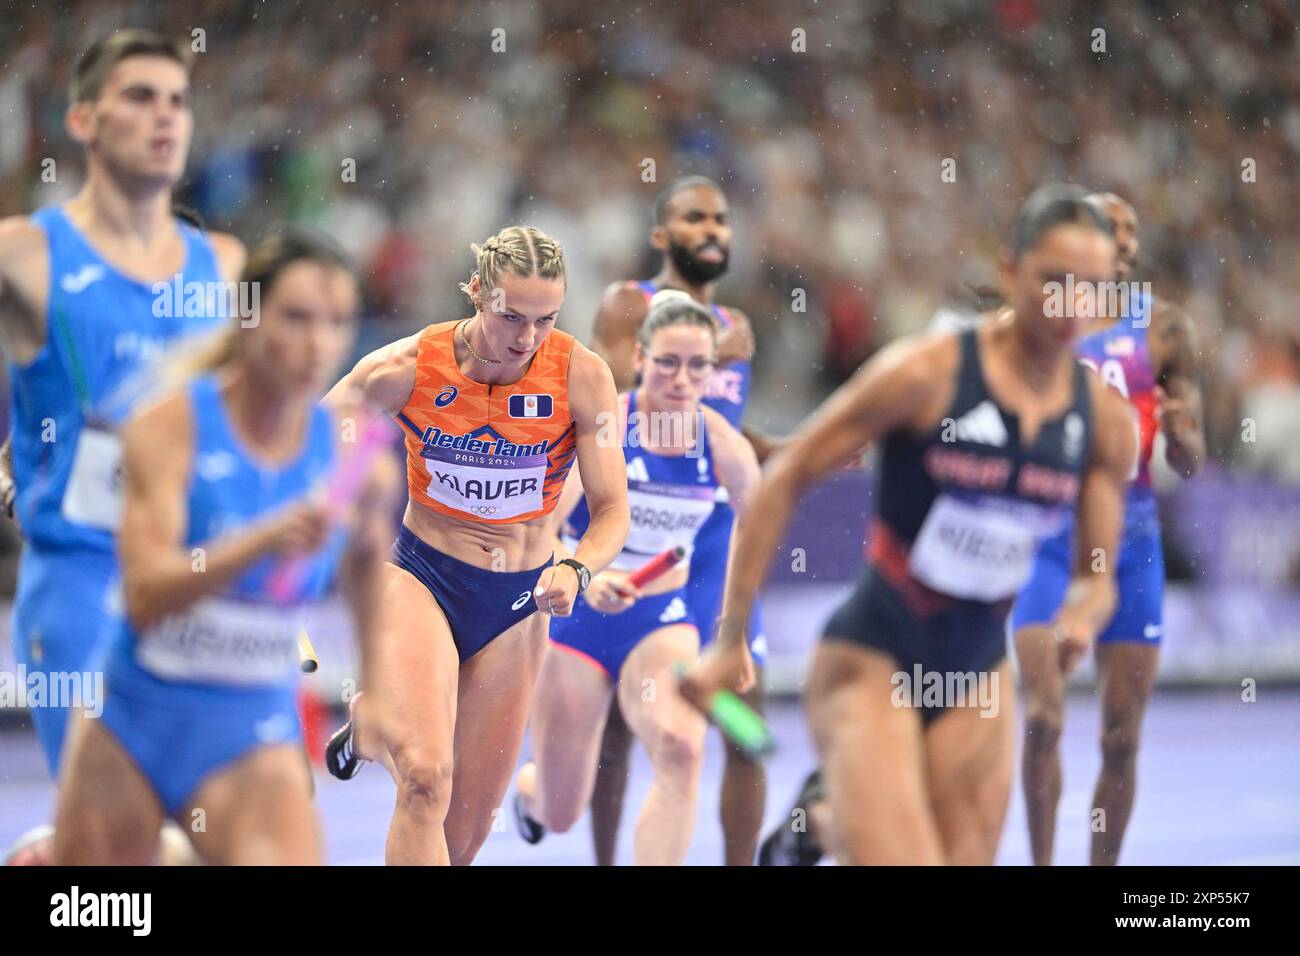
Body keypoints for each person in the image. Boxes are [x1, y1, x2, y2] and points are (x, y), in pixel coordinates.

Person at [692, 185, 1138, 864]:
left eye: (1091, 288)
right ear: (1009, 270)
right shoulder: (925, 373)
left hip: (979, 673)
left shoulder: (1104, 421)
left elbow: (1096, 575)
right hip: (873, 657)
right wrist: (730, 639)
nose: (1068, 305)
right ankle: (825, 822)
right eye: (1053, 280)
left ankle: (815, 829)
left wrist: (1081, 615)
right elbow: (787, 474)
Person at [51, 228, 392, 864]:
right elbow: (145, 594)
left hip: (250, 728)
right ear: (247, 314)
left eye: (339, 322)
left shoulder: (358, 457)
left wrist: (377, 686)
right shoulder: (168, 423)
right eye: (296, 318)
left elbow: (370, 562)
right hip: (132, 716)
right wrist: (263, 540)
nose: (319, 344)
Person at [0, 29, 244, 865]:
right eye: (139, 96)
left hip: (203, 586)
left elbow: (240, 431)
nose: (164, 116)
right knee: (127, 858)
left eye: (177, 99)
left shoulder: (224, 265)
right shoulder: (24, 257)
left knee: (238, 836)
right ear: (84, 119)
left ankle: (60, 851)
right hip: (82, 584)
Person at [320, 225, 630, 865]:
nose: (527, 337)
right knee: (426, 781)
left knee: (461, 841)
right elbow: (294, 450)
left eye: (546, 319)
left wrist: (576, 566)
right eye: (510, 315)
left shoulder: (582, 377)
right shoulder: (403, 369)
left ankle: (375, 720)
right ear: (475, 292)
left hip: (519, 604)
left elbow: (611, 511)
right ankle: (387, 722)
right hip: (422, 578)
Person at [512, 291, 760, 865]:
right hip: (578, 619)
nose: (682, 378)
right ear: (642, 357)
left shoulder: (724, 447)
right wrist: (579, 572)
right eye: (668, 362)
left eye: (699, 365)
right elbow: (539, 531)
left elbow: (755, 538)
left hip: (660, 622)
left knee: (681, 747)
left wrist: (733, 634)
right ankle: (531, 792)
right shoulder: (604, 428)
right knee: (561, 810)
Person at [1011, 191, 1205, 865]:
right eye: (1102, 227)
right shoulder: (1036, 319)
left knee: (1120, 738)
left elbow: (1192, 457)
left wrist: (1182, 438)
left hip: (1133, 541)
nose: (1116, 241)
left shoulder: (1166, 330)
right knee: (1041, 718)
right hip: (1045, 537)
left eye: (1127, 231)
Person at [585, 175, 774, 865]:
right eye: (695, 219)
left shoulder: (735, 327)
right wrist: (702, 350)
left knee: (744, 719)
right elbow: (607, 393)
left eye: (722, 220)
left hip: (716, 548)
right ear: (662, 235)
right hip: (643, 537)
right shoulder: (628, 304)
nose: (713, 231)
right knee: (618, 721)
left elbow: (723, 431)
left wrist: (787, 449)